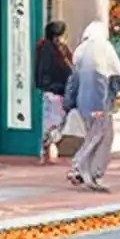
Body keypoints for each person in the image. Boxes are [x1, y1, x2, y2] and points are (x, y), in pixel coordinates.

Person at [64, 21, 120, 190]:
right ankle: (83, 168)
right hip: (100, 105)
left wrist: (69, 102)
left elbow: (72, 81)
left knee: (94, 134)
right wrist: (112, 96)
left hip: (84, 105)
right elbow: (119, 76)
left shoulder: (80, 51)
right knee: (102, 136)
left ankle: (86, 171)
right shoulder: (105, 48)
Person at [35, 21, 72, 164]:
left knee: (54, 122)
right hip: (53, 91)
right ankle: (44, 148)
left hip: (59, 91)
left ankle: (47, 147)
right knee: (51, 123)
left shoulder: (59, 48)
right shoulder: (47, 49)